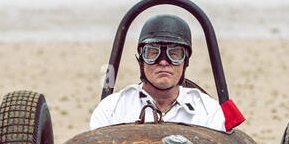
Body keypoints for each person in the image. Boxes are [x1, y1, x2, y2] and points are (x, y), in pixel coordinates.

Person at [90, 14, 227, 131]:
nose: (163, 62)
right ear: (141, 60)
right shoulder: (112, 109)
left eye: (174, 54)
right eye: (153, 53)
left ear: (185, 61)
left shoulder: (207, 110)